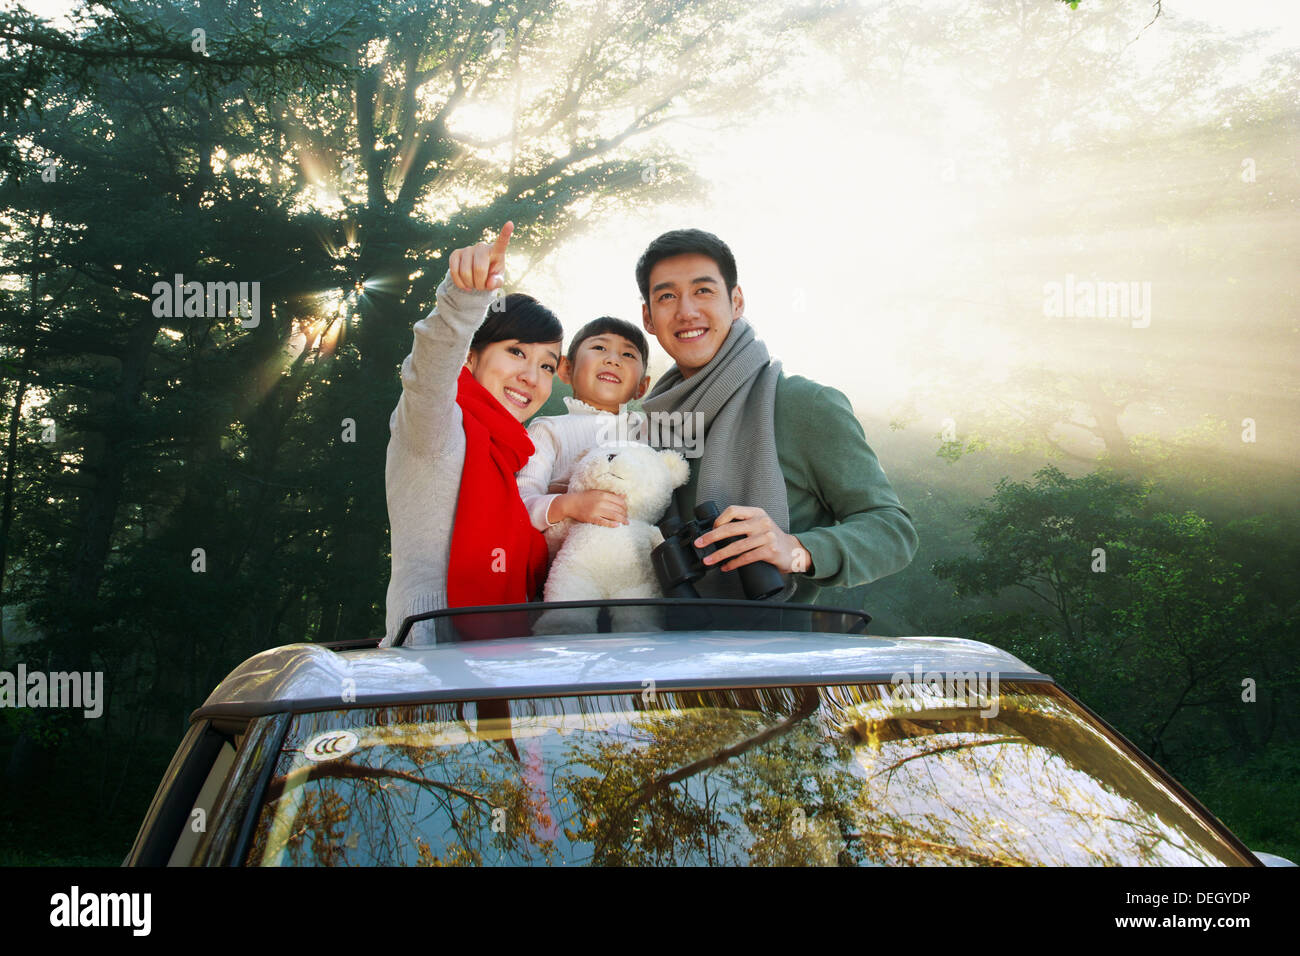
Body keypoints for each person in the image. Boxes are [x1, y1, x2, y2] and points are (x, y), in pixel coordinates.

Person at [635, 228, 919, 604]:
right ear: (648, 318)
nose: (687, 311)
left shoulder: (803, 403)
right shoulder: (647, 423)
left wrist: (796, 549)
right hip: (657, 648)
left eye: (704, 291)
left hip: (775, 652)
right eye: (667, 296)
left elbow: (893, 532)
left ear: (736, 302)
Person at [382, 222, 563, 646]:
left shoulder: (520, 463)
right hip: (433, 676)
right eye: (516, 352)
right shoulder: (435, 428)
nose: (531, 377)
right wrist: (463, 299)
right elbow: (427, 373)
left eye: (548, 365)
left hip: (516, 675)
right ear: (472, 357)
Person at [515, 316, 651, 558]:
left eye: (628, 355)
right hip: (568, 570)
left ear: (642, 386)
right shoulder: (548, 429)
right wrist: (569, 505)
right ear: (566, 368)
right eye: (599, 348)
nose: (613, 359)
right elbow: (519, 505)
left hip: (635, 561)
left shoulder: (647, 430)